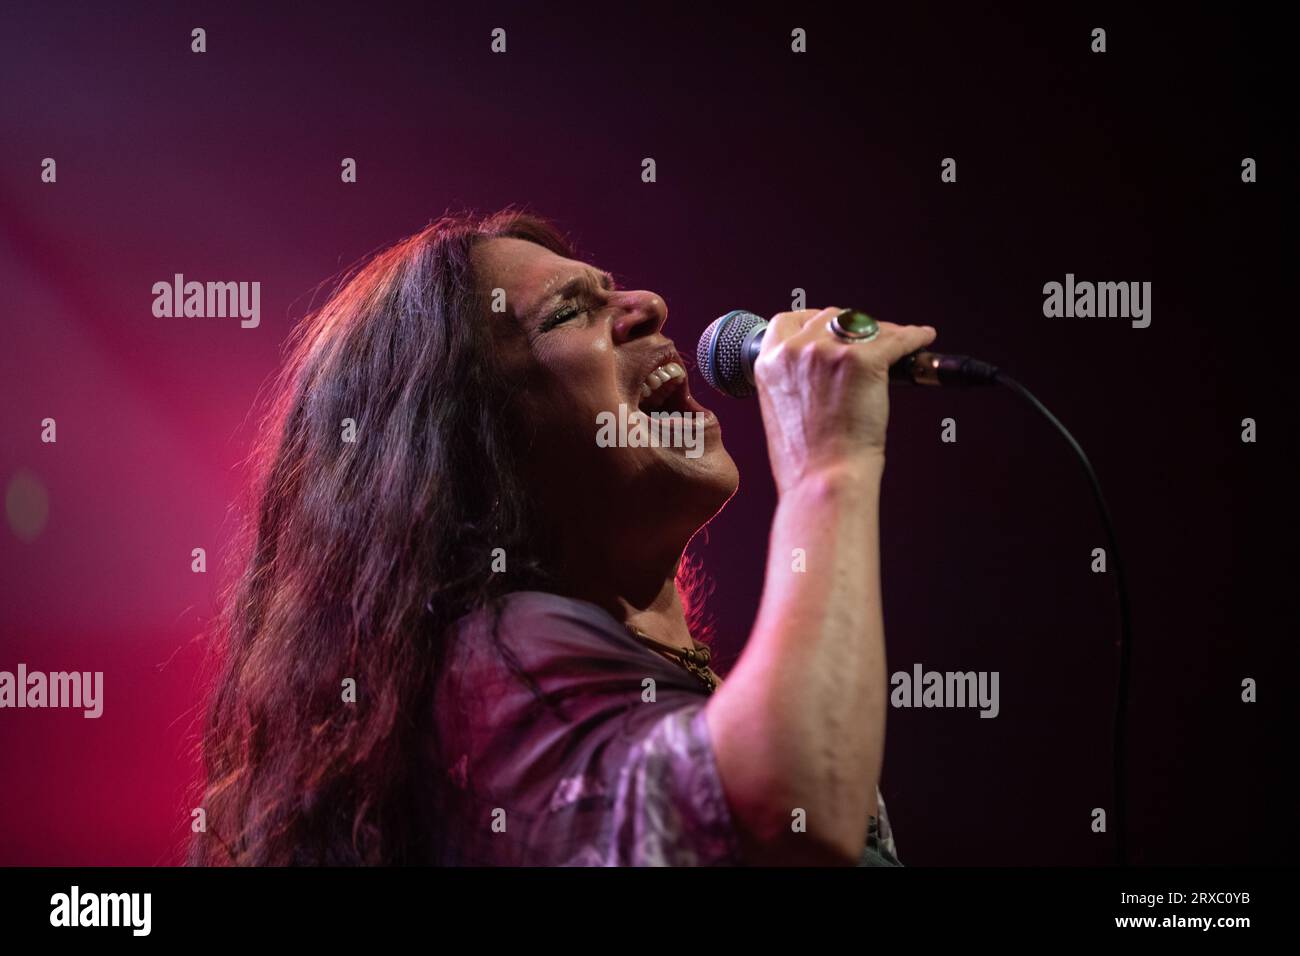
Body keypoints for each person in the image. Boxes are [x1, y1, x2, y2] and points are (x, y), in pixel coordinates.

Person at [189, 208, 934, 866]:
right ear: (473, 448)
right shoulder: (489, 659)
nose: (650, 305)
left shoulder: (617, 672)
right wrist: (828, 467)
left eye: (614, 289)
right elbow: (782, 813)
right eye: (567, 313)